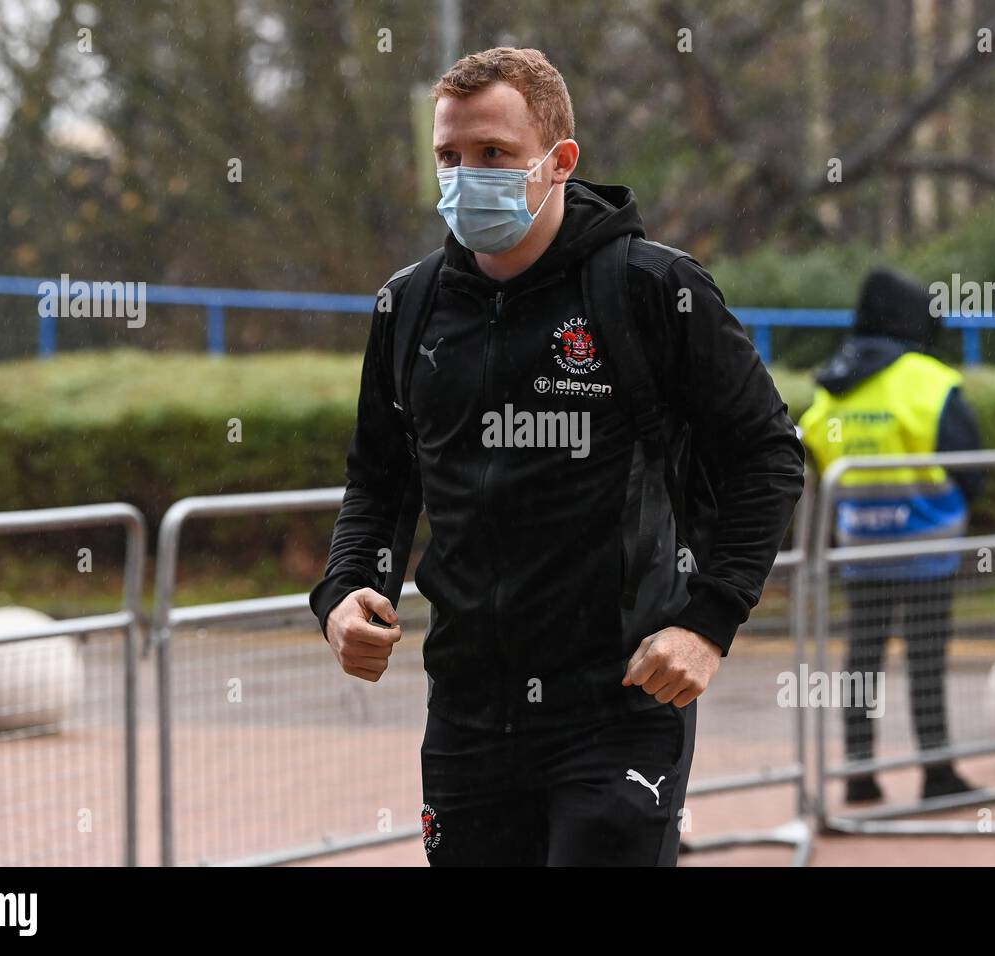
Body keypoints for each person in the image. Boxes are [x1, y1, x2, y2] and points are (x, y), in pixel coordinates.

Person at [309, 47, 805, 864]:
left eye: (494, 155)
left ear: (558, 162)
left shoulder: (653, 290)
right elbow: (381, 475)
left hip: (619, 703)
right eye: (450, 156)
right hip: (468, 710)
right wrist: (346, 589)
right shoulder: (409, 304)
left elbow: (768, 456)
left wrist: (708, 622)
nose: (467, 176)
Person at [799, 267, 983, 804]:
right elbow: (971, 463)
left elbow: (811, 446)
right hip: (927, 546)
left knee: (862, 659)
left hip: (861, 547)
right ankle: (937, 772)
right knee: (926, 660)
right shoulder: (927, 379)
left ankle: (859, 773)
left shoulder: (834, 382)